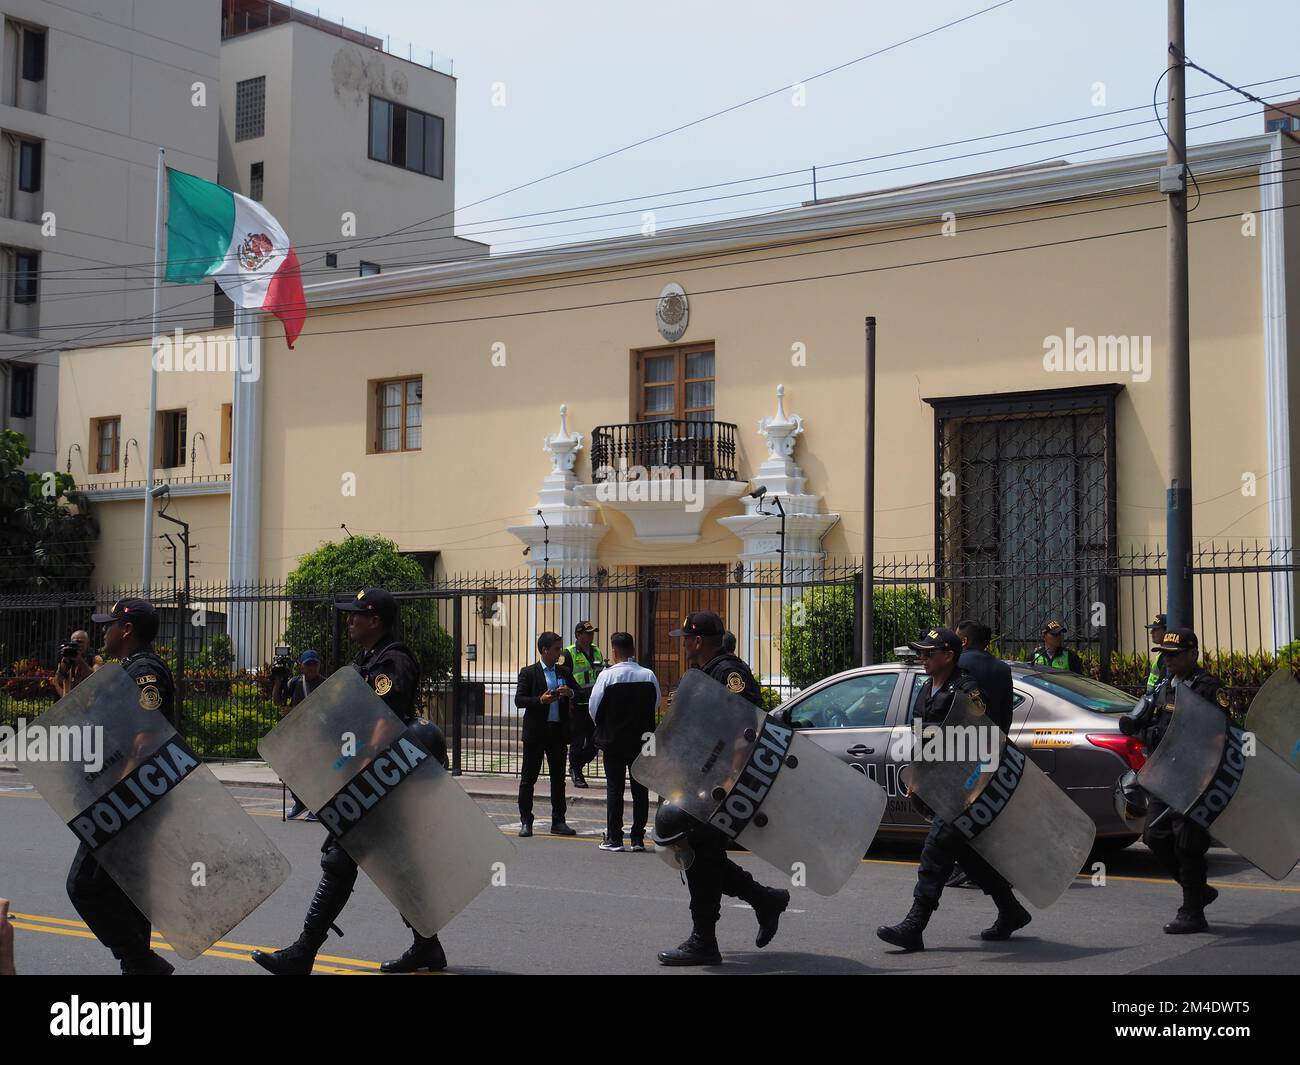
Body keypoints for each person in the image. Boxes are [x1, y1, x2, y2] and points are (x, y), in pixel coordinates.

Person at [252, 588, 452, 975]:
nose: (349, 621)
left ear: (375, 620)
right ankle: (427, 947)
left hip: (382, 779)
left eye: (356, 615)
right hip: (373, 778)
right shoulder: (369, 659)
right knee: (386, 864)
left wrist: (349, 766)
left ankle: (303, 954)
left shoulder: (393, 661)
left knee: (341, 859)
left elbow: (383, 723)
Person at [876, 627, 1030, 953]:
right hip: (940, 783)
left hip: (968, 784)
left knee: (938, 845)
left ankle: (915, 925)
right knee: (965, 852)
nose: (923, 658)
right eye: (921, 652)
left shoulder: (968, 689)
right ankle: (1010, 910)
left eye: (929, 653)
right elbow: (923, 739)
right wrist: (919, 781)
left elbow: (980, 738)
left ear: (949, 654)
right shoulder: (925, 689)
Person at [656, 611, 790, 966]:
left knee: (699, 854)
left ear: (698, 641)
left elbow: (745, 724)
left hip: (719, 783)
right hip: (700, 778)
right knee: (702, 855)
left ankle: (706, 940)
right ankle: (763, 901)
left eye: (685, 638)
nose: (682, 643)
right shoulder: (702, 673)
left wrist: (730, 779)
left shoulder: (729, 672)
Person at [66, 598, 175, 974]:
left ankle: (141, 961)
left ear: (126, 630)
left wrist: (119, 795)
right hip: (127, 796)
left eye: (109, 624)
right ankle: (138, 969)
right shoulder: (125, 669)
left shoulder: (144, 671)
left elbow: (146, 737)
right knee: (129, 891)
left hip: (130, 798)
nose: (103, 630)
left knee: (83, 885)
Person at [1119, 627, 1227, 934]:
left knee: (1187, 843)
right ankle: (1199, 890)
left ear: (1193, 654)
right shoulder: (1165, 685)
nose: (1168, 661)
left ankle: (1192, 911)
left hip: (1194, 777)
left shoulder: (1207, 687)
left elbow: (1220, 733)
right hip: (1164, 773)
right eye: (1165, 655)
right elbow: (1147, 720)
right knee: (1154, 836)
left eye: (1175, 655)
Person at [947, 620, 1014, 889]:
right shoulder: (1001, 668)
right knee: (985, 808)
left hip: (961, 747)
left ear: (963, 642)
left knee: (957, 809)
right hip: (992, 744)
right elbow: (1006, 711)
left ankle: (964, 866)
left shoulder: (957, 665)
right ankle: (989, 864)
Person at [587, 632, 659, 852]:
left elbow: (594, 708)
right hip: (643, 740)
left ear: (614, 651)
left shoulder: (607, 677)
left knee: (614, 789)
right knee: (641, 790)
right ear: (633, 650)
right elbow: (655, 704)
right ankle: (637, 838)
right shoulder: (648, 675)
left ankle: (615, 837)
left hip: (614, 740)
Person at [515, 632, 578, 838]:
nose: (560, 653)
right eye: (557, 649)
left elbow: (579, 692)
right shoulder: (529, 672)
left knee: (558, 780)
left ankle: (558, 821)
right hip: (536, 733)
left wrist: (570, 693)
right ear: (545, 650)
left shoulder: (564, 671)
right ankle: (526, 820)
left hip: (557, 732)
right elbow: (519, 700)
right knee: (528, 779)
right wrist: (540, 701)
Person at [271, 649, 325, 820]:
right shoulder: (294, 682)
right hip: (297, 735)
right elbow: (278, 702)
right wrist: (278, 681)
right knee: (287, 769)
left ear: (319, 665)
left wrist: (292, 711)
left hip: (317, 735)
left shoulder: (325, 684)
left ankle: (317, 806)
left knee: (313, 772)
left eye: (314, 664)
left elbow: (323, 710)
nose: (311, 668)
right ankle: (300, 802)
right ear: (301, 665)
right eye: (308, 664)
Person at [561, 621, 604, 788]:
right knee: (577, 741)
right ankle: (576, 772)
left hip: (594, 703)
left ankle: (576, 766)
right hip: (577, 704)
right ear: (578, 635)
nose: (591, 636)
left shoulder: (596, 650)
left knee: (596, 742)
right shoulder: (568, 653)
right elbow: (563, 678)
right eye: (588, 633)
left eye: (592, 633)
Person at [50, 629, 97, 697]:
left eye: (81, 642)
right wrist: (65, 661)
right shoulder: (66, 659)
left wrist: (79, 659)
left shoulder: (95, 659)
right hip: (70, 704)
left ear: (88, 643)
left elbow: (97, 677)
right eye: (75, 642)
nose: (78, 645)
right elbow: (59, 680)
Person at [1145, 613, 1168, 693]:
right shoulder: (1161, 653)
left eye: (1155, 629)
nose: (1151, 632)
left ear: (1166, 630)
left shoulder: (1166, 656)